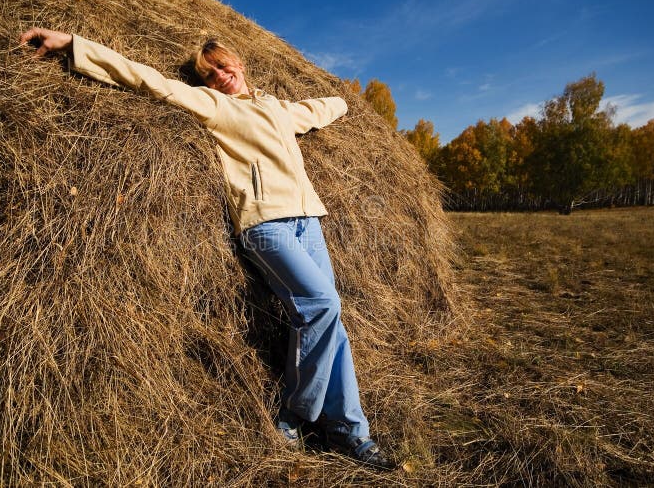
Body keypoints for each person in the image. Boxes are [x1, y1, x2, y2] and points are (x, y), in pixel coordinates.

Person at [20, 28, 393, 469]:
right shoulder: (216, 106)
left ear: (239, 63)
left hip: (308, 220)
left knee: (332, 322)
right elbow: (149, 80)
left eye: (222, 64)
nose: (219, 74)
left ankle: (351, 431)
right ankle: (295, 410)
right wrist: (73, 45)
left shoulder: (277, 108)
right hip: (264, 224)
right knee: (322, 304)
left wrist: (349, 101)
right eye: (209, 72)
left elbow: (318, 110)